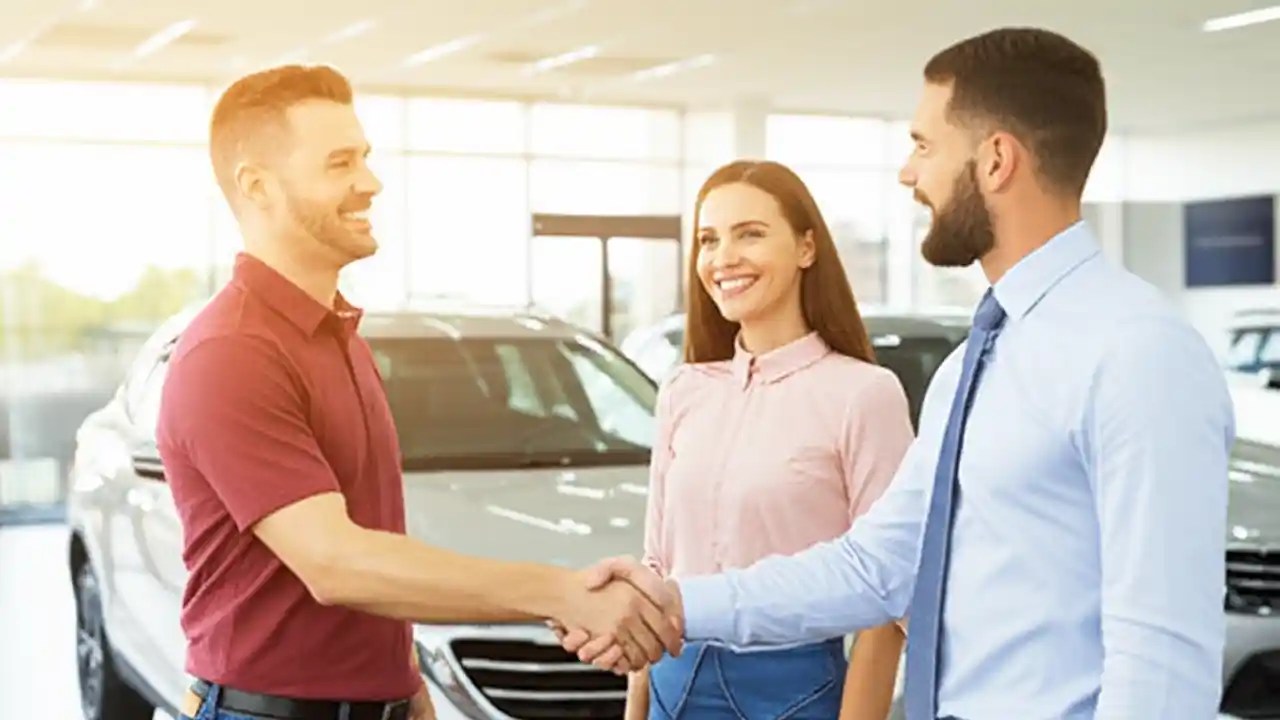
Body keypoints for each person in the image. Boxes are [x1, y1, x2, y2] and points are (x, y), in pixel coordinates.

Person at [560, 26, 1236, 720]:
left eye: (923, 146)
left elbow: (1161, 666)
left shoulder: (1137, 352)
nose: (908, 175)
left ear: (996, 159)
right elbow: (875, 568)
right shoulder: (973, 368)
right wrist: (675, 601)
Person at [157, 64, 681, 720]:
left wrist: (407, 690)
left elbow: (373, 540)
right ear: (257, 187)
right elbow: (337, 563)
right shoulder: (233, 353)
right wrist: (561, 591)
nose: (369, 183)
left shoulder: (339, 336)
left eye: (367, 158)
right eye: (340, 163)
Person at [611, 159, 916, 719]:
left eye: (750, 234)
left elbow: (888, 594)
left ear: (806, 247)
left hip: (794, 695)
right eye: (709, 239)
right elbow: (656, 566)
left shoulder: (864, 394)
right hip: (671, 687)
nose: (723, 257)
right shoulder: (683, 390)